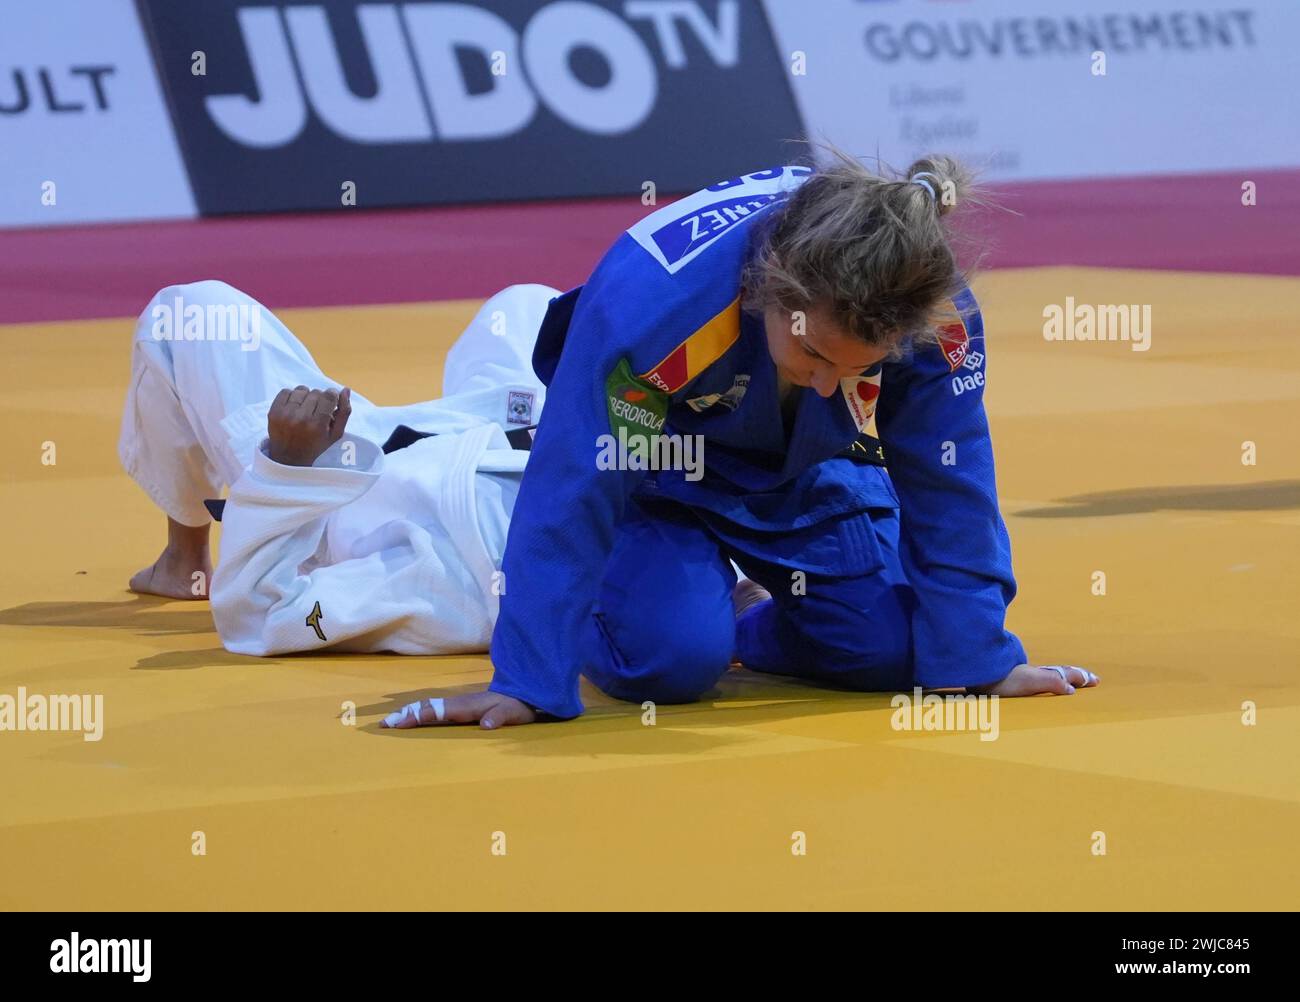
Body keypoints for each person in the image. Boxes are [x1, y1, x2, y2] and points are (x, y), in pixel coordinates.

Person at [384, 152, 1098, 731]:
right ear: (767, 290)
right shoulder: (654, 308)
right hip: (655, 467)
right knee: (670, 662)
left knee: (900, 650)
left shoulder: (933, 314)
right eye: (815, 354)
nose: (829, 383)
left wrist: (976, 657)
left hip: (810, 460)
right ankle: (618, 608)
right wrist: (528, 680)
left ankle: (750, 616)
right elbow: (578, 479)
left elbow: (952, 480)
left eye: (857, 369)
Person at [119, 279, 553, 656]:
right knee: (530, 305)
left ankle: (185, 560)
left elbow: (263, 617)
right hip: (500, 433)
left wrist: (287, 467)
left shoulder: (455, 588)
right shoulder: (600, 507)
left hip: (330, 483)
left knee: (190, 311)